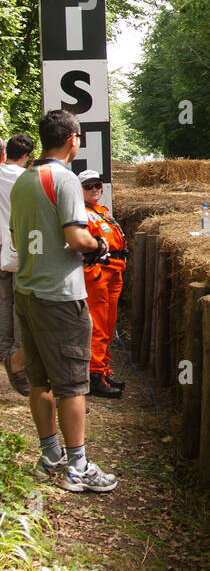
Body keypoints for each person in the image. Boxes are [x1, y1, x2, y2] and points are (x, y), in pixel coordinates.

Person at [9, 110, 118, 493]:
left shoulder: (23, 179)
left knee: (39, 379)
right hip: (60, 295)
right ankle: (78, 466)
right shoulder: (64, 179)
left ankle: (51, 454)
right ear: (73, 139)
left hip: (27, 292)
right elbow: (75, 237)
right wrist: (98, 244)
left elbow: (20, 238)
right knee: (73, 382)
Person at [79, 169, 127, 398]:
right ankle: (94, 375)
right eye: (89, 186)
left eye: (98, 185)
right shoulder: (81, 213)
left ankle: (102, 369)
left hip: (115, 272)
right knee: (97, 325)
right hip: (98, 273)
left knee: (108, 324)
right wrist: (93, 270)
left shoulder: (102, 211)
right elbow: (80, 246)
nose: (95, 190)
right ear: (79, 190)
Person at [0, 132, 35, 396]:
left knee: (4, 305)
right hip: (19, 250)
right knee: (20, 308)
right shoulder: (27, 179)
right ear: (26, 155)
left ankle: (7, 354)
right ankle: (16, 363)